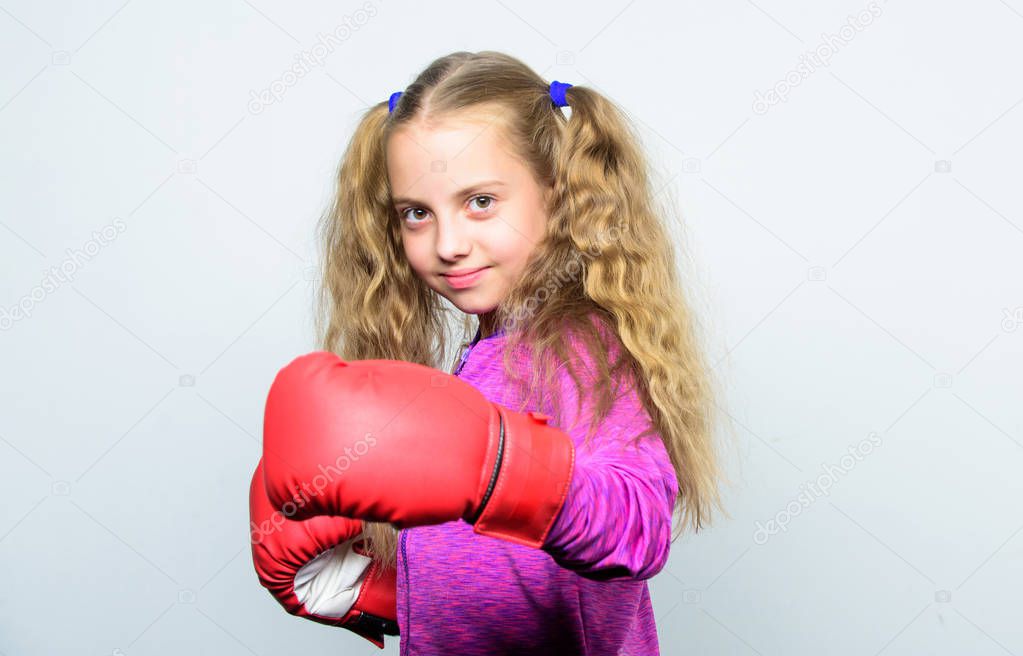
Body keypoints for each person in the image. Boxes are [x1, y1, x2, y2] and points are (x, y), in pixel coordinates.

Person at [248, 50, 728, 655]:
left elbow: (639, 530)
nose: (448, 244)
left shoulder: (584, 351)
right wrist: (372, 587)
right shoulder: (479, 359)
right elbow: (499, 567)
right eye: (417, 213)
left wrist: (504, 470)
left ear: (558, 194)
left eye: (480, 202)